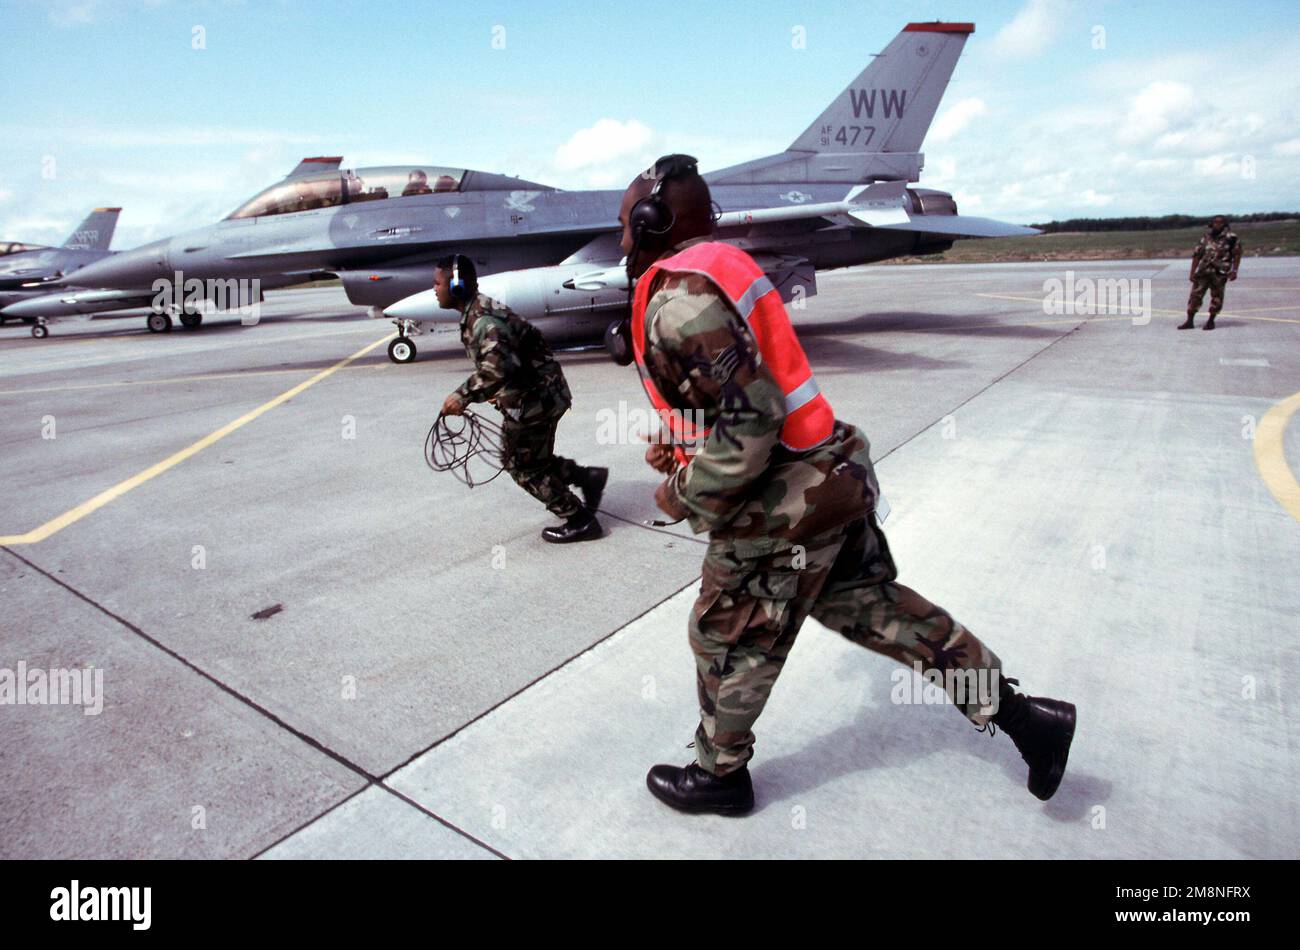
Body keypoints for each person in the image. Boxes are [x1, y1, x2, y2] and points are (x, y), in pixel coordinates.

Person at [617, 155, 1077, 815]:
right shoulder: (724, 264)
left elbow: (752, 416)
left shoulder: (679, 301)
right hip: (828, 474)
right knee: (880, 613)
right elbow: (742, 393)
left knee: (726, 634)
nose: (623, 235)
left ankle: (719, 776)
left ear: (652, 220)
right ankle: (1029, 721)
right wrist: (687, 439)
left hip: (781, 505)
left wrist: (684, 493)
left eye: (627, 220)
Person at [436, 254, 606, 543]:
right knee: (533, 458)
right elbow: (508, 364)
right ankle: (585, 477)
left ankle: (579, 520)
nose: (435, 290)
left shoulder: (484, 322)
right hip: (538, 395)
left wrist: (462, 396)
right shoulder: (476, 312)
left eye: (438, 283)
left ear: (456, 287)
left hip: (536, 400)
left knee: (522, 466)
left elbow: (498, 368)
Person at [1179, 215, 1242, 331]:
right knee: (1195, 296)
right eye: (1215, 222)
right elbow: (1197, 255)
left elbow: (1237, 254)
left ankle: (1211, 321)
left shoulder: (1231, 238)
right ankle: (1190, 320)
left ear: (1225, 224)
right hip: (1203, 271)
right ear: (1211, 224)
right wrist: (1192, 272)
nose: (1218, 225)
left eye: (1221, 222)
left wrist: (1234, 270)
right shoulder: (1206, 237)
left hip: (1220, 272)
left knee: (1217, 297)